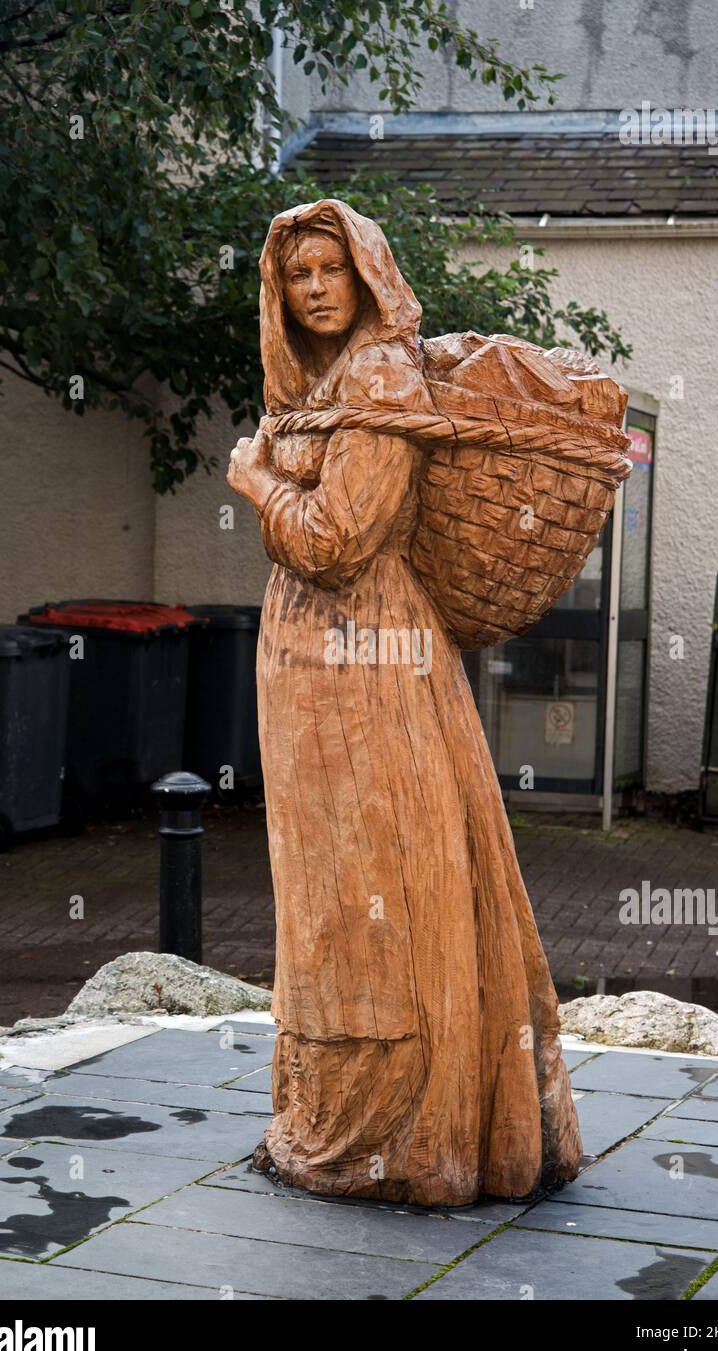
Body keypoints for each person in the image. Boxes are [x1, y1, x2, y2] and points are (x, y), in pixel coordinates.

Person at [226, 198, 583, 1206]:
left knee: (385, 874)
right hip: (305, 666)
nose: (315, 290)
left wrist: (255, 483)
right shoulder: (312, 382)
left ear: (367, 273)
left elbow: (338, 540)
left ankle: (414, 1130)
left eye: (331, 270)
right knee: (326, 888)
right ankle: (332, 1116)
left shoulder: (382, 373)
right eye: (297, 278)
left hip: (370, 658)